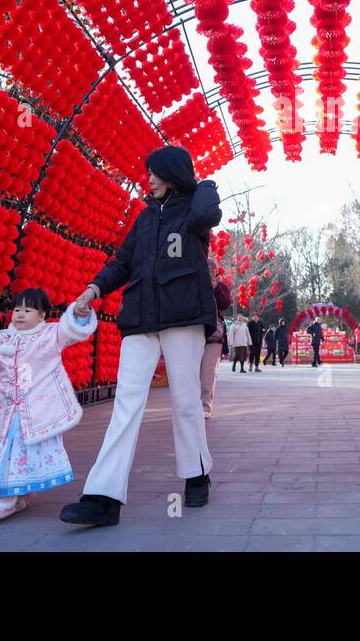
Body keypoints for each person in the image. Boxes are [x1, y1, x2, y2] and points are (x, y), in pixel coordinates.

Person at [59, 145, 220, 528]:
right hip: (140, 317)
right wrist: (93, 290)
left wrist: (204, 185)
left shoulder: (195, 210)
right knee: (125, 404)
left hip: (183, 315)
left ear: (172, 173)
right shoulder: (145, 218)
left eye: (155, 171)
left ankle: (196, 475)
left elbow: (207, 214)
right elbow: (122, 261)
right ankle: (103, 496)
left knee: (184, 400)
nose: (148, 178)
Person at [0, 289, 97, 519]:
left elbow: (72, 328)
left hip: (36, 406)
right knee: (7, 447)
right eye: (17, 309)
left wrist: (80, 313)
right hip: (4, 408)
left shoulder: (51, 334)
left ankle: (7, 498)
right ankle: (20, 493)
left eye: (28, 310)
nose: (20, 314)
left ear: (41, 315)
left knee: (18, 447)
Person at [200, 258, 231, 418]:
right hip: (195, 332)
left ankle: (205, 406)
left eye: (213, 269)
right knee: (191, 372)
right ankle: (192, 405)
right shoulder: (195, 282)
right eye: (207, 268)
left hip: (214, 336)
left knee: (208, 373)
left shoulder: (221, 286)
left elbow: (225, 303)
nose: (210, 271)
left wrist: (216, 287)